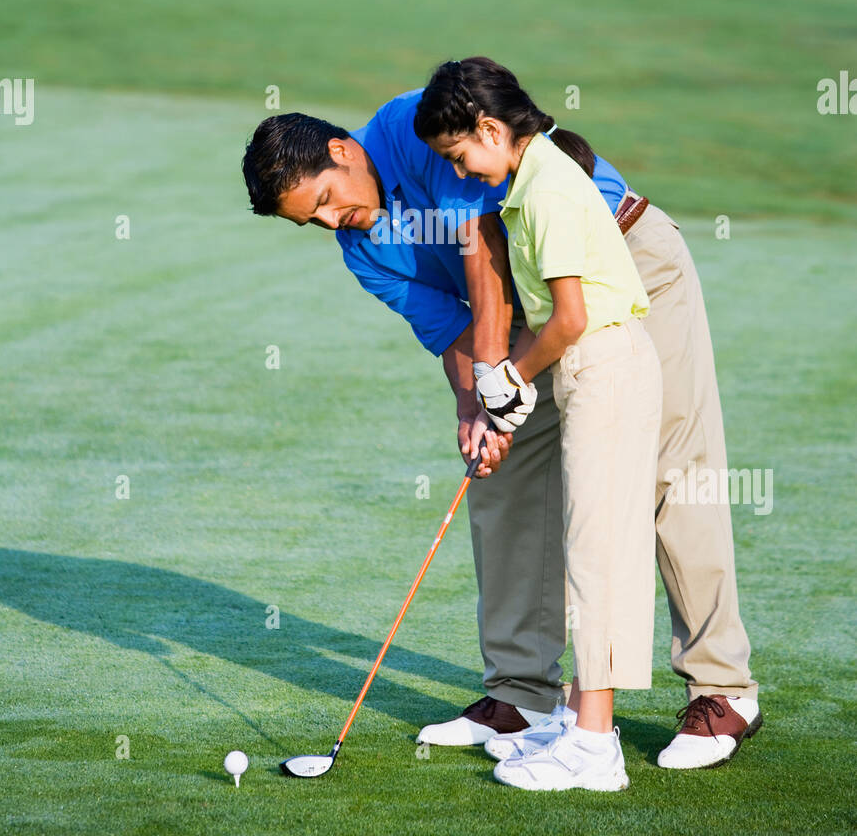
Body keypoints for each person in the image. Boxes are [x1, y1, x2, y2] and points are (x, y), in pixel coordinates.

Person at [242, 75, 761, 771]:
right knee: (499, 480)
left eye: (330, 200)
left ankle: (722, 688)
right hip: (524, 328)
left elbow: (482, 253)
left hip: (620, 269)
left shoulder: (410, 128)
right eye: (313, 222)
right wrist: (474, 408)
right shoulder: (360, 249)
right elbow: (451, 328)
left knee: (670, 478)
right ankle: (523, 694)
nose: (335, 223)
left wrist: (496, 379)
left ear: (343, 150)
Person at [412, 56, 666, 791]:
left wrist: (509, 379)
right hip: (582, 368)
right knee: (580, 544)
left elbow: (572, 316)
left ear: (491, 129)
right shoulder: (528, 182)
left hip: (607, 364)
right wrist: (507, 381)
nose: (463, 173)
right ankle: (568, 724)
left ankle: (596, 747)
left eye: (461, 155)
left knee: (599, 552)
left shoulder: (549, 187)